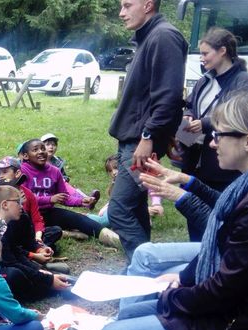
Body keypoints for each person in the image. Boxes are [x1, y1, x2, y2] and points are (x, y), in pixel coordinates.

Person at [72, 90, 248, 330]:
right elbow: (219, 251)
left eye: (220, 135)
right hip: (235, 317)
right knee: (139, 308)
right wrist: (182, 280)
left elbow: (226, 287)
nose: (211, 142)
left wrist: (176, 295)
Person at [107, 0, 188, 259]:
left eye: (127, 5)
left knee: (118, 210)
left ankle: (146, 266)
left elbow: (168, 96)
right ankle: (141, 268)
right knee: (134, 207)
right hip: (131, 139)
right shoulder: (149, 36)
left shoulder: (164, 36)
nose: (121, 13)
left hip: (139, 142)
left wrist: (148, 135)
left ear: (148, 5)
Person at [180, 27, 248, 240]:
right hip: (195, 162)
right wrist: (187, 117)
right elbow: (190, 105)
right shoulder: (204, 79)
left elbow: (241, 120)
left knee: (218, 227)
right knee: (194, 222)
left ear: (222, 51)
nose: (202, 58)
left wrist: (205, 124)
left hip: (222, 170)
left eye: (206, 53)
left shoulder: (245, 83)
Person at [19, 139, 121, 249]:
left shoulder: (55, 171)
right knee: (29, 233)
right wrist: (50, 199)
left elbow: (64, 197)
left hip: (47, 212)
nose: (41, 152)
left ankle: (118, 241)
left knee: (79, 219)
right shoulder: (21, 171)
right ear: (25, 156)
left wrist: (81, 201)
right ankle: (67, 234)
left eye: (43, 149)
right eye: (35, 150)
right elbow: (25, 198)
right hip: (27, 215)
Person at [0, 184, 70, 301]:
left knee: (27, 272)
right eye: (18, 202)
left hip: (11, 267)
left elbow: (16, 252)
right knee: (14, 274)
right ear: (5, 205)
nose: (21, 206)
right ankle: (45, 290)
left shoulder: (6, 224)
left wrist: (38, 271)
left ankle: (51, 280)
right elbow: (11, 263)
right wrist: (48, 280)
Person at [41, 133, 100, 210]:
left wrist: (64, 179)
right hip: (45, 185)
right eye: (47, 144)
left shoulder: (57, 161)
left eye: (54, 145)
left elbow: (64, 175)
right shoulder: (38, 160)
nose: (51, 147)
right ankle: (86, 200)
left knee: (68, 187)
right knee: (66, 187)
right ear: (41, 147)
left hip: (59, 185)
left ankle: (86, 199)